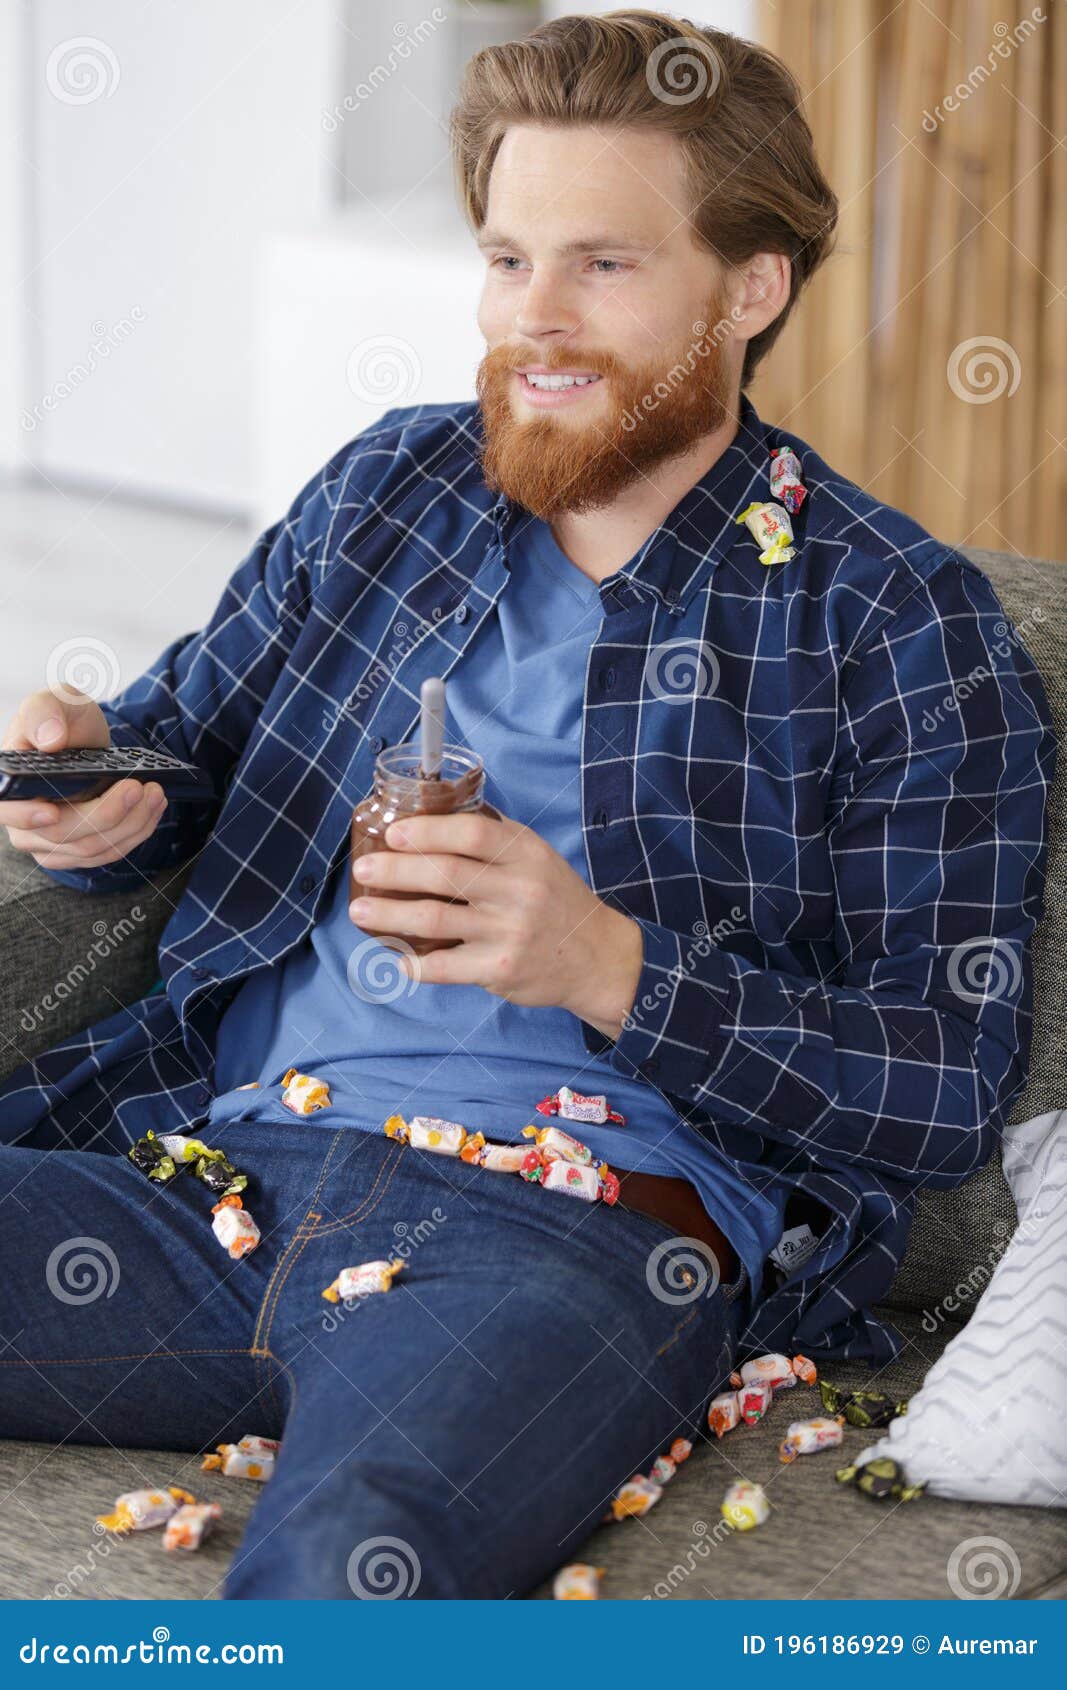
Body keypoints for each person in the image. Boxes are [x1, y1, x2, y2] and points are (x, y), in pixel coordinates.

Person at [0, 11, 1054, 1600]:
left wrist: (604, 966)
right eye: (506, 260)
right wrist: (101, 797)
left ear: (748, 288)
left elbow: (945, 1084)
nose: (534, 319)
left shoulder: (901, 623)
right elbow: (177, 747)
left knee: (361, 1562)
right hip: (212, 1183)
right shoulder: (392, 491)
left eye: (604, 267)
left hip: (569, 1238)